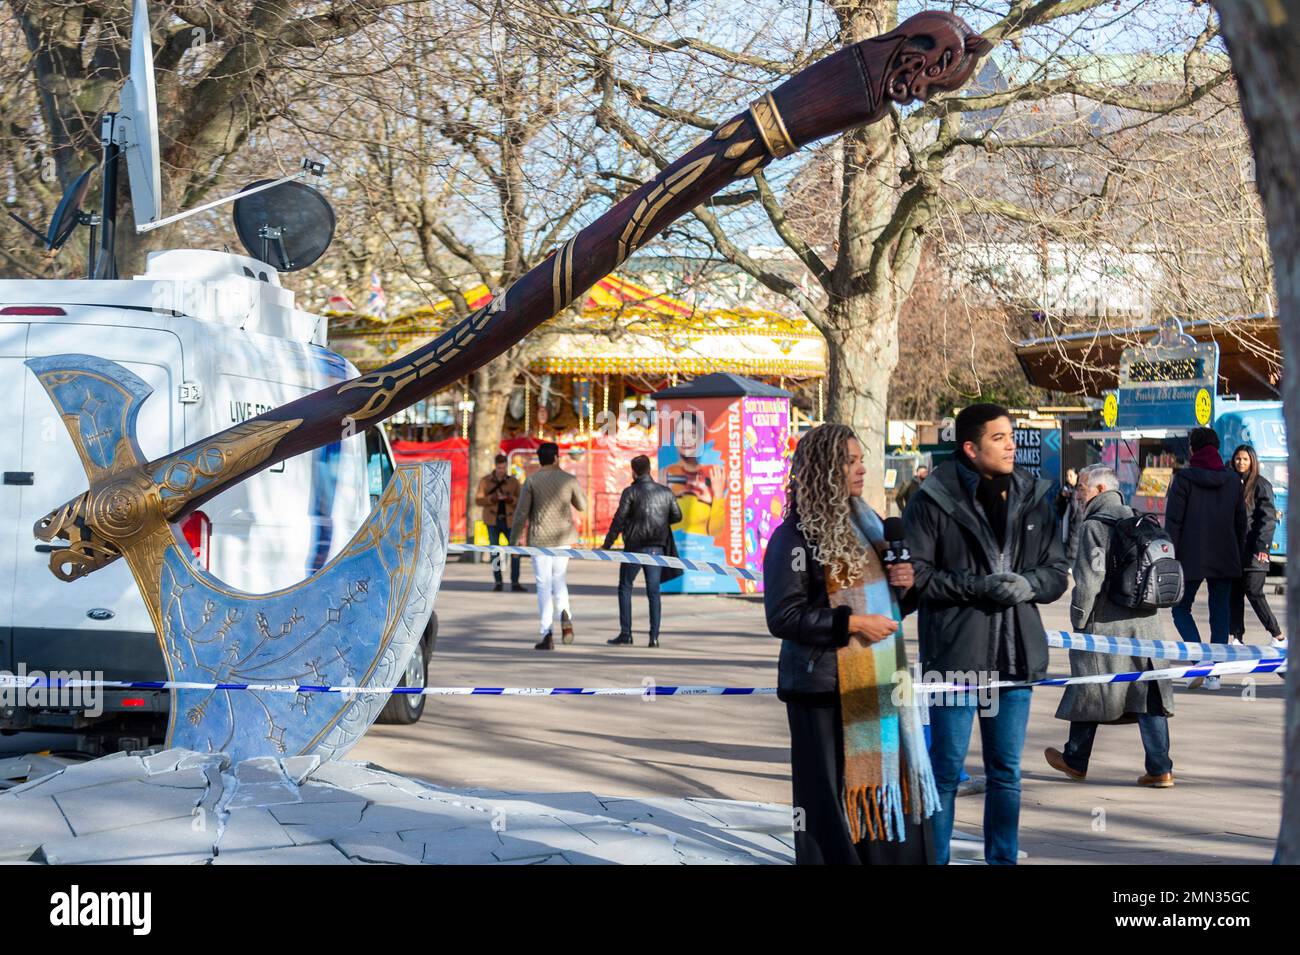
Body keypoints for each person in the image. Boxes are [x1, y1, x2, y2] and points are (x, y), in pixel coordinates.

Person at [904, 403, 1069, 865]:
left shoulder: (1034, 495)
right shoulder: (932, 498)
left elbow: (1057, 572)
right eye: (999, 437)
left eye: (1011, 435)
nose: (1011, 444)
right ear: (970, 447)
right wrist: (977, 587)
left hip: (1016, 657)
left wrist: (1028, 585)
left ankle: (1003, 860)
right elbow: (918, 575)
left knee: (1006, 774)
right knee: (945, 773)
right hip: (955, 656)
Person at [764, 424, 937, 865]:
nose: (862, 469)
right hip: (820, 690)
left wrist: (907, 586)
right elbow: (784, 617)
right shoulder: (794, 537)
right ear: (824, 469)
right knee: (827, 807)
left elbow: (894, 608)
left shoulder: (871, 524)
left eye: (861, 459)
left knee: (883, 797)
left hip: (877, 685)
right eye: (850, 461)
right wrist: (853, 623)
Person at [1043, 465, 1175, 788]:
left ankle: (1075, 759)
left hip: (1106, 629)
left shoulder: (1094, 526)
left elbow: (1089, 580)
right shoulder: (1139, 518)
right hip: (1147, 626)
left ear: (1101, 491)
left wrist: (1079, 617)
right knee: (1148, 693)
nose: (1077, 494)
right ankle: (1160, 767)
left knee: (1091, 686)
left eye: (1082, 488)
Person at [1165, 427, 1247, 688]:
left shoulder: (1183, 479)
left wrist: (1170, 555)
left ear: (1193, 449)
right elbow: (1241, 523)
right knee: (1220, 613)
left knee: (1180, 608)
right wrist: (1238, 550)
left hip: (1190, 555)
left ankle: (1200, 661)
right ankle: (1215, 674)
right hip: (1225, 555)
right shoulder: (1233, 480)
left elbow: (1174, 522)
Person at [510, 442, 587, 650]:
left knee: (543, 585)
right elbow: (583, 505)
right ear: (556, 458)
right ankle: (566, 614)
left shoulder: (532, 481)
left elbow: (521, 513)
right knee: (559, 579)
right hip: (563, 539)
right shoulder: (569, 479)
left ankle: (547, 634)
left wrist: (514, 540)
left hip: (540, 540)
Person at [603, 455, 682, 648]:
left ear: (634, 471)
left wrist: (607, 544)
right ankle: (654, 637)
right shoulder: (665, 492)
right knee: (654, 591)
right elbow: (677, 516)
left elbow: (619, 519)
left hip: (634, 548)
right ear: (649, 470)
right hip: (657, 548)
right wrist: (661, 522)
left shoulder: (630, 492)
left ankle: (626, 633)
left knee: (625, 587)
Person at [1229, 444, 1286, 651]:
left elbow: (1268, 519)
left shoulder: (1261, 485)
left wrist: (1263, 546)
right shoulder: (1231, 483)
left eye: (1245, 459)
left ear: (1252, 461)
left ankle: (1277, 635)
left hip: (1255, 550)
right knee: (1234, 593)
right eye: (1238, 459)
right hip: (1235, 550)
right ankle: (1236, 637)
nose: (1241, 462)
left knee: (1254, 591)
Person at [475, 454, 524, 592]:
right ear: (495, 466)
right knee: (495, 552)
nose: (501, 470)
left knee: (515, 551)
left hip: (510, 521)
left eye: (503, 468)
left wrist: (510, 499)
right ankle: (498, 582)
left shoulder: (513, 481)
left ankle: (515, 582)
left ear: (506, 467)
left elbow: (521, 501)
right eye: (499, 467)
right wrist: (492, 498)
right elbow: (478, 500)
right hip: (493, 521)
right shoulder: (485, 481)